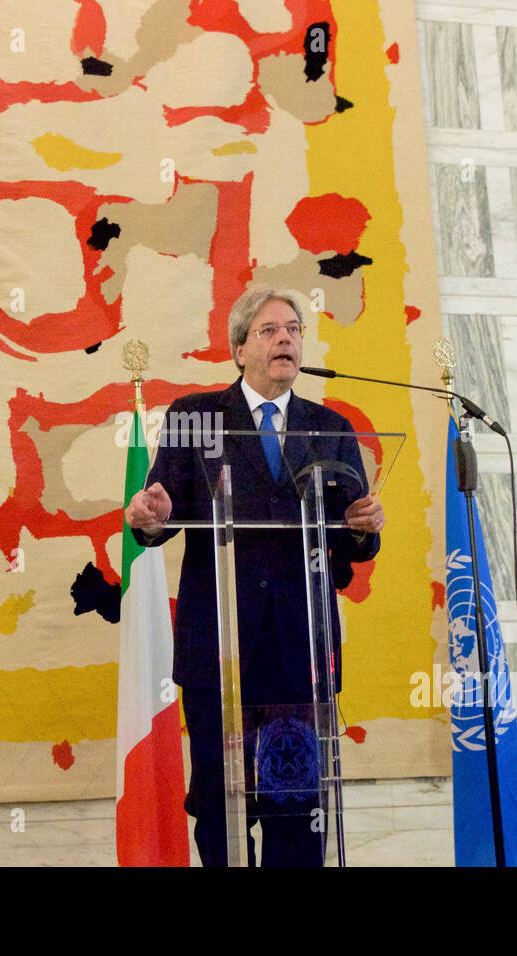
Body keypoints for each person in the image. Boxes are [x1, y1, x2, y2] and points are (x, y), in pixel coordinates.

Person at [125, 286, 382, 866]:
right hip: (219, 647)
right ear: (239, 348)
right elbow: (162, 513)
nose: (286, 338)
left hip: (301, 651)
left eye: (293, 329)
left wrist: (364, 528)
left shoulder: (330, 425)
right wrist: (148, 517)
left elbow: (351, 542)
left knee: (296, 804)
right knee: (221, 804)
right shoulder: (196, 417)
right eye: (269, 330)